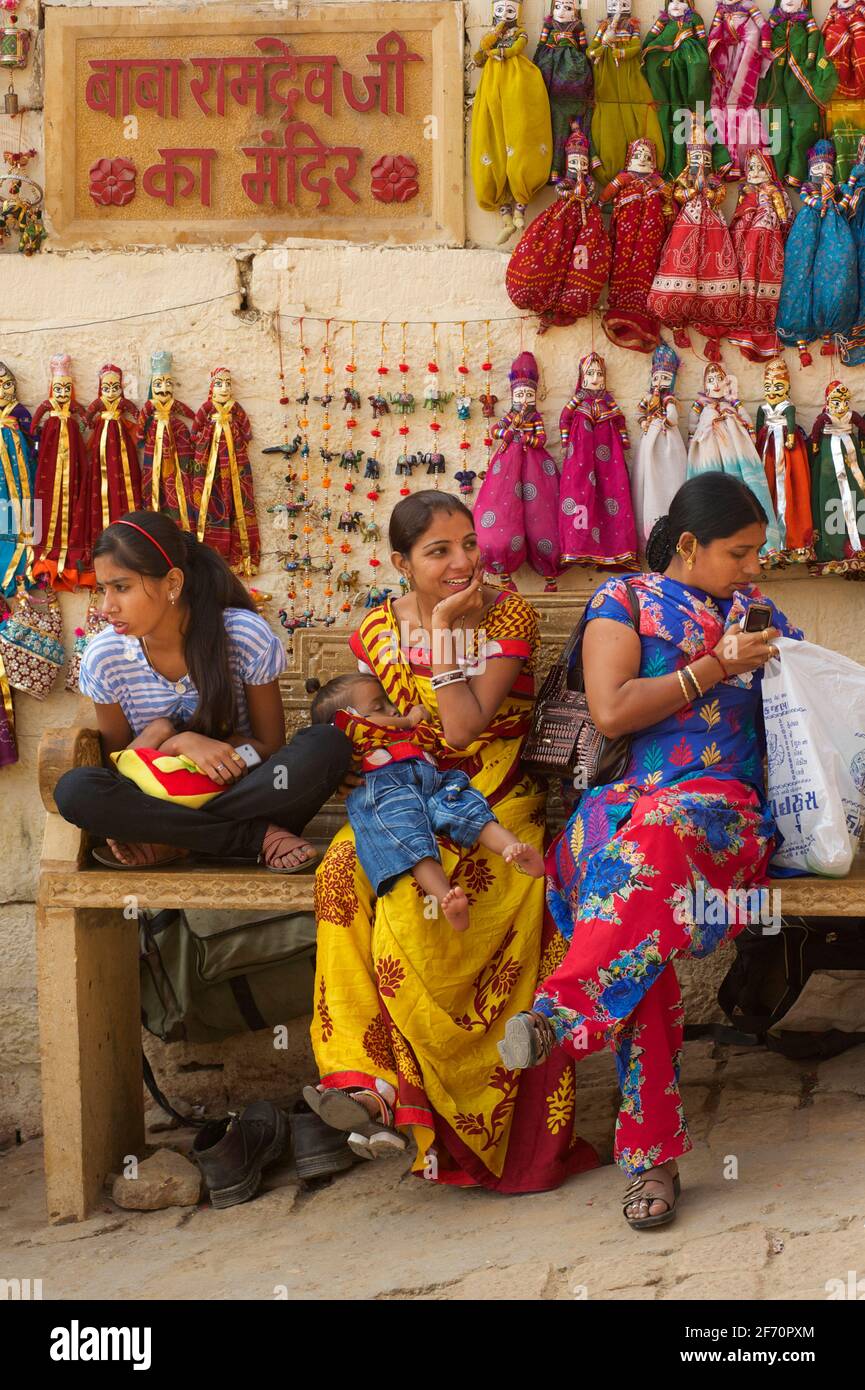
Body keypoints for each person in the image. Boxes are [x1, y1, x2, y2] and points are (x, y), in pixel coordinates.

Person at [497, 472, 804, 1229]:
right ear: (690, 545)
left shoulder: (760, 617)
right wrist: (714, 668)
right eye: (738, 553)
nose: (751, 569)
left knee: (649, 862)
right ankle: (649, 1163)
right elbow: (611, 709)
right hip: (616, 811)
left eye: (757, 553)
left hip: (718, 819)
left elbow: (802, 716)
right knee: (636, 917)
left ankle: (563, 1016)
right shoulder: (623, 601)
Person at [304, 490, 599, 1185]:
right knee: (342, 870)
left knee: (424, 902)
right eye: (439, 551)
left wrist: (440, 629)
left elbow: (465, 727)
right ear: (401, 561)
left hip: (495, 800)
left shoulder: (507, 613)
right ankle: (365, 1083)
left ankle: (466, 1124)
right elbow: (392, 727)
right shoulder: (374, 629)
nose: (463, 561)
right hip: (412, 795)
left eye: (469, 543)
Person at [53, 511, 351, 871]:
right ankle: (252, 838)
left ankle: (174, 841)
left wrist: (212, 750)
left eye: (122, 587)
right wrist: (167, 737)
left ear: (173, 583)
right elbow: (121, 769)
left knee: (326, 745)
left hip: (240, 792)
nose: (106, 607)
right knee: (76, 791)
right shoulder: (106, 656)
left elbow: (269, 751)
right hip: (159, 799)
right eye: (103, 589)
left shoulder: (241, 635)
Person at [308, 671, 544, 932]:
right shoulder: (348, 728)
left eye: (390, 702)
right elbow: (344, 733)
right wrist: (409, 719)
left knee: (463, 804)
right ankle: (445, 896)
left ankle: (512, 848)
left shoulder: (407, 730)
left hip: (432, 779)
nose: (393, 710)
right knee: (408, 837)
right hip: (387, 793)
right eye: (379, 708)